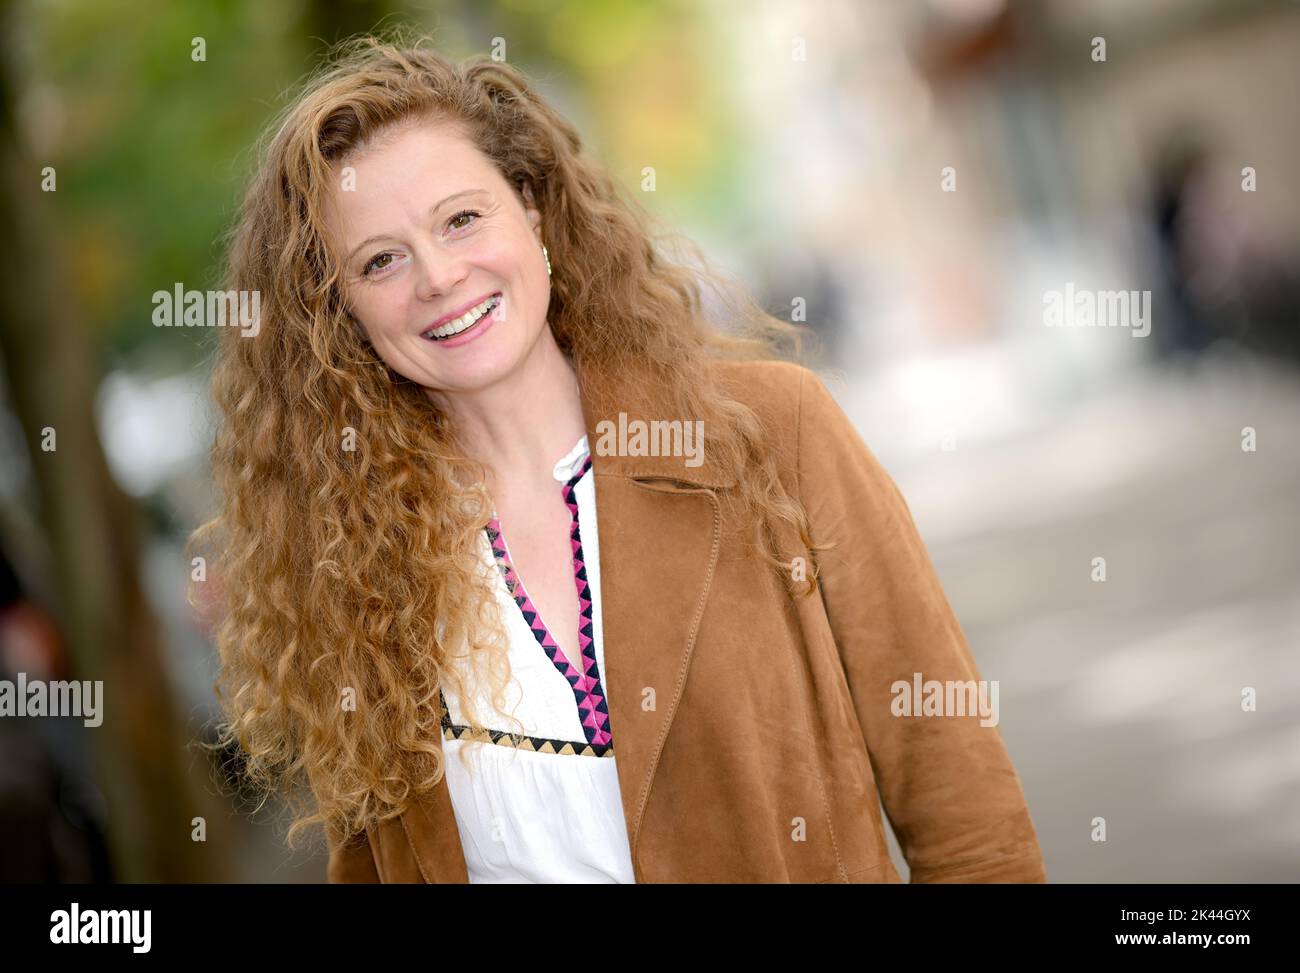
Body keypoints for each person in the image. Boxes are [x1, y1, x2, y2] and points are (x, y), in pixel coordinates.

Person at [188, 33, 1046, 884]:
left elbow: (961, 803)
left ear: (529, 207)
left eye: (461, 218)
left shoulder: (773, 432)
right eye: (381, 260)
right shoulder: (353, 563)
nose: (439, 276)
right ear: (340, 313)